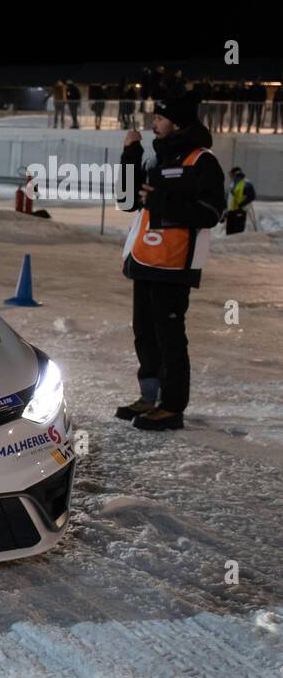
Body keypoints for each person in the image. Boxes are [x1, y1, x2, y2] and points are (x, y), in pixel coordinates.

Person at [114, 92, 225, 431]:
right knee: (144, 333)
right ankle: (150, 396)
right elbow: (126, 202)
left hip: (175, 266)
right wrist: (130, 154)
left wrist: (161, 200)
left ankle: (172, 406)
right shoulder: (155, 159)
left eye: (159, 118)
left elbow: (210, 213)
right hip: (145, 259)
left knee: (169, 337)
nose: (153, 124)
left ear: (176, 122)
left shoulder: (202, 161)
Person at [225, 166, 258, 232]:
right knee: (230, 235)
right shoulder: (233, 183)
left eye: (231, 174)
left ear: (234, 173)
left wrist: (241, 204)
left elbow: (252, 196)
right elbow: (229, 199)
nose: (230, 176)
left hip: (240, 211)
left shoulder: (245, 183)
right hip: (231, 213)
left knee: (236, 234)